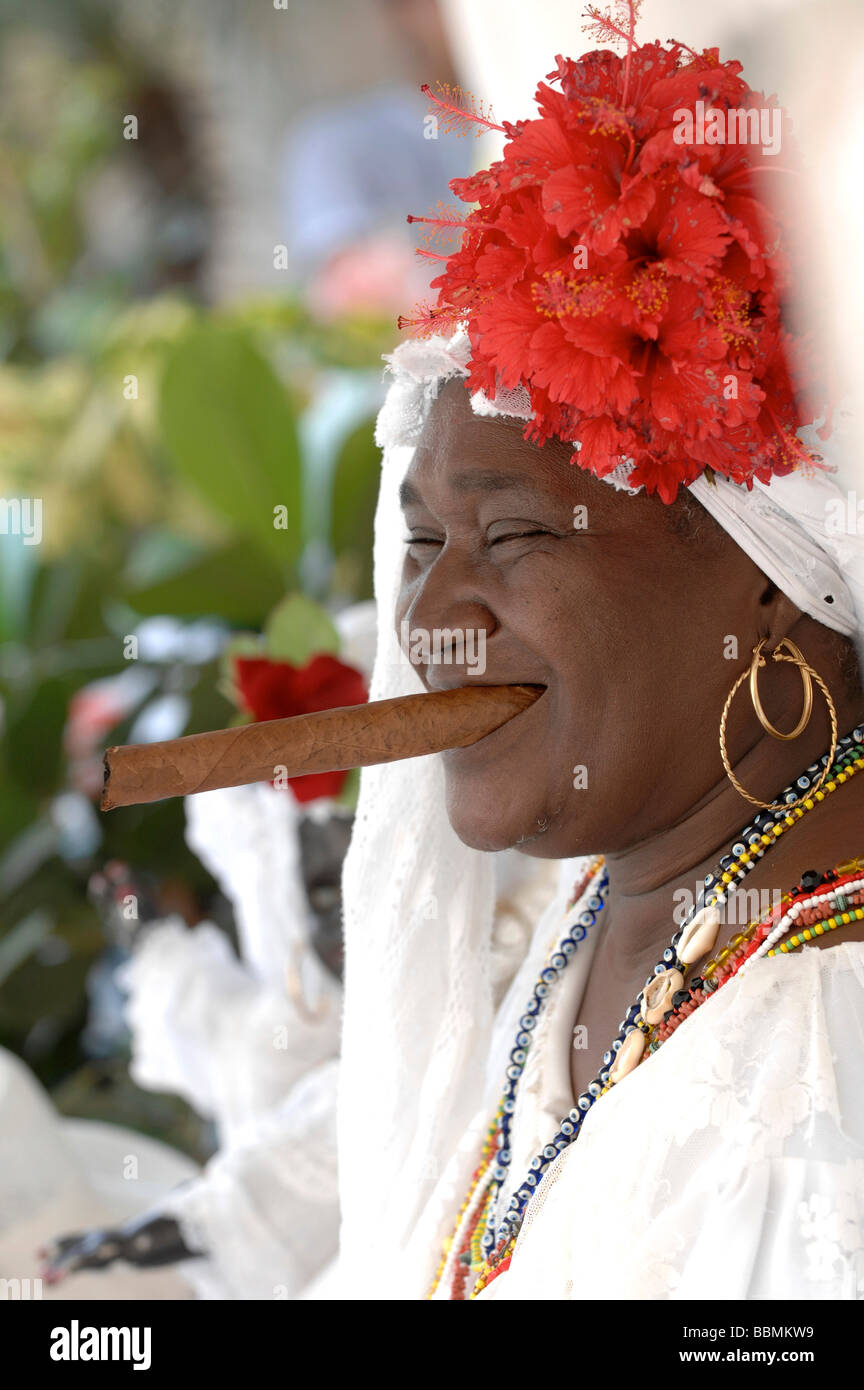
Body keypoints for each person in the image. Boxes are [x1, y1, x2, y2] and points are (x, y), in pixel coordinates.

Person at [331, 20, 864, 1301]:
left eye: (513, 530)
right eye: (421, 540)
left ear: (771, 583)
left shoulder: (825, 1086)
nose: (431, 616)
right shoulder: (618, 921)